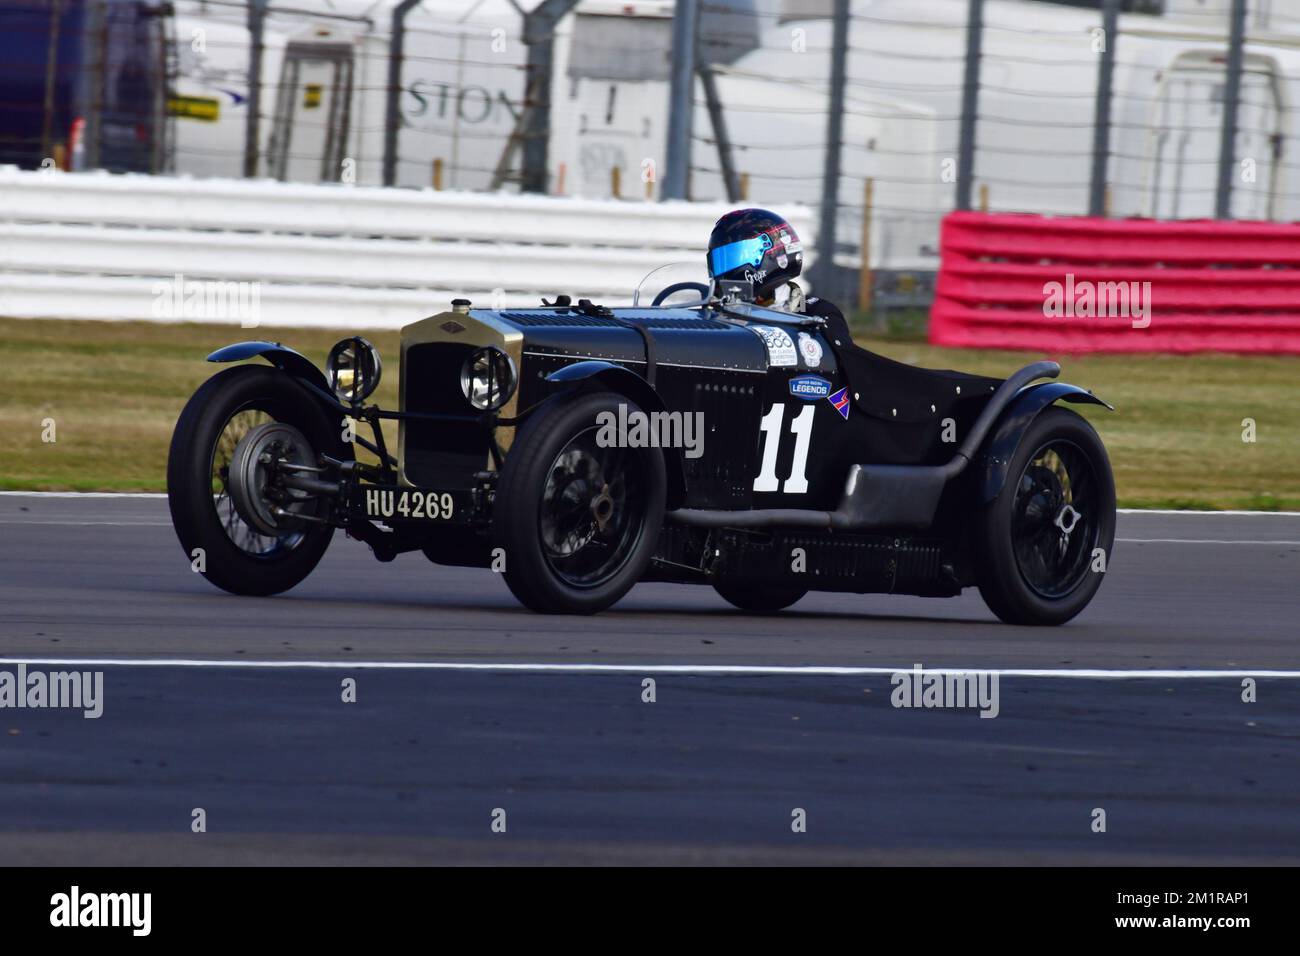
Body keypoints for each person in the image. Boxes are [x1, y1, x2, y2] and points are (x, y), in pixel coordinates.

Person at [705, 207, 855, 350]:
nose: (724, 269)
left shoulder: (816, 313)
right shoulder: (714, 313)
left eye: (732, 257)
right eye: (719, 260)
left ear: (769, 252)